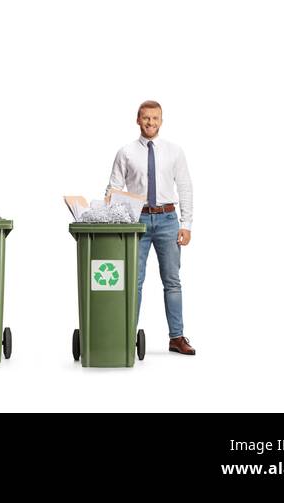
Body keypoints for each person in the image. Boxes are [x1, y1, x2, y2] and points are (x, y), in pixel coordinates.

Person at [106, 100, 196, 355]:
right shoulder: (126, 152)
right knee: (133, 282)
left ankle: (176, 337)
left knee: (172, 281)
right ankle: (127, 335)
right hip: (138, 222)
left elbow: (185, 187)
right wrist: (112, 219)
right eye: (146, 118)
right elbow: (113, 188)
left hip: (168, 220)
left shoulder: (174, 151)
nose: (150, 123)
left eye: (155, 118)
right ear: (138, 120)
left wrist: (186, 224)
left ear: (161, 120)